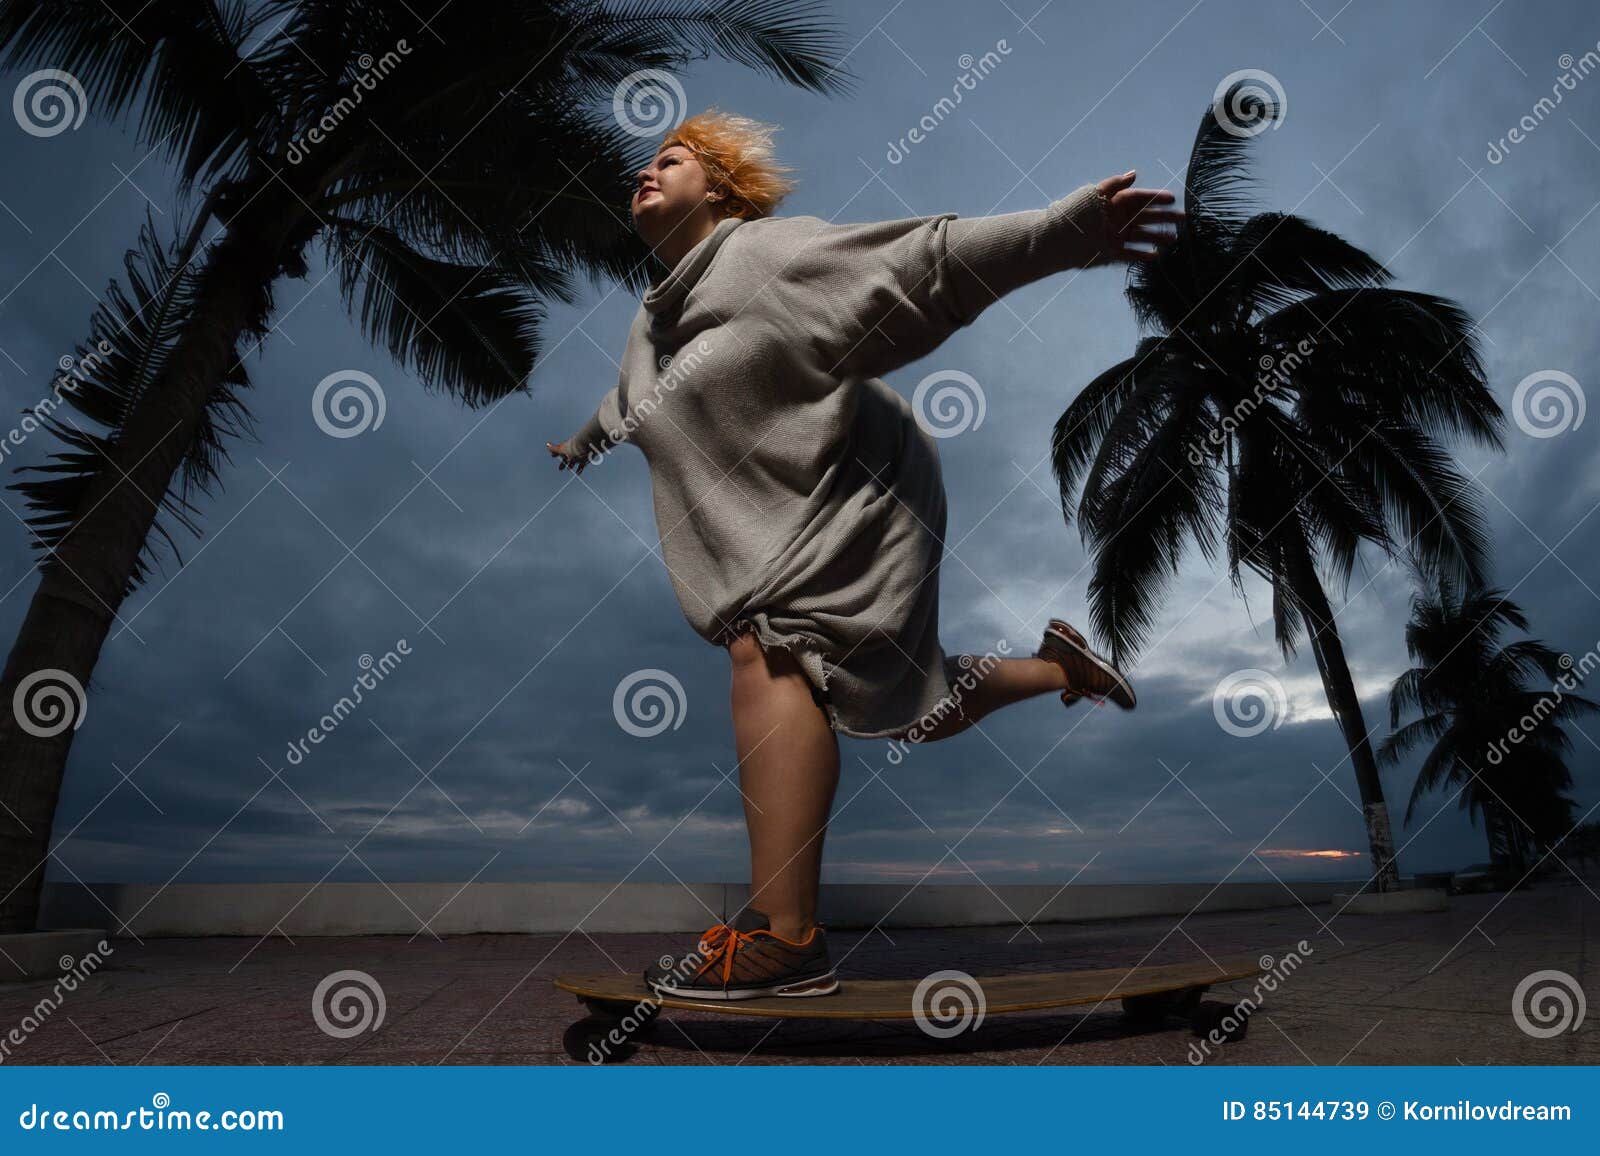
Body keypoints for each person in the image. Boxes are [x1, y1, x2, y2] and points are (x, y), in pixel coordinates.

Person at [547, 109, 1182, 999]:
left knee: (766, 646)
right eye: (644, 166)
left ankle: (786, 938)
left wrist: (1060, 233)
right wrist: (584, 444)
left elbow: (911, 261)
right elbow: (630, 404)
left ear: (721, 189)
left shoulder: (762, 256)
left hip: (864, 484)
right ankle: (1055, 668)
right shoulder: (653, 326)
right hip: (795, 499)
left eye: (671, 159)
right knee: (908, 702)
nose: (645, 174)